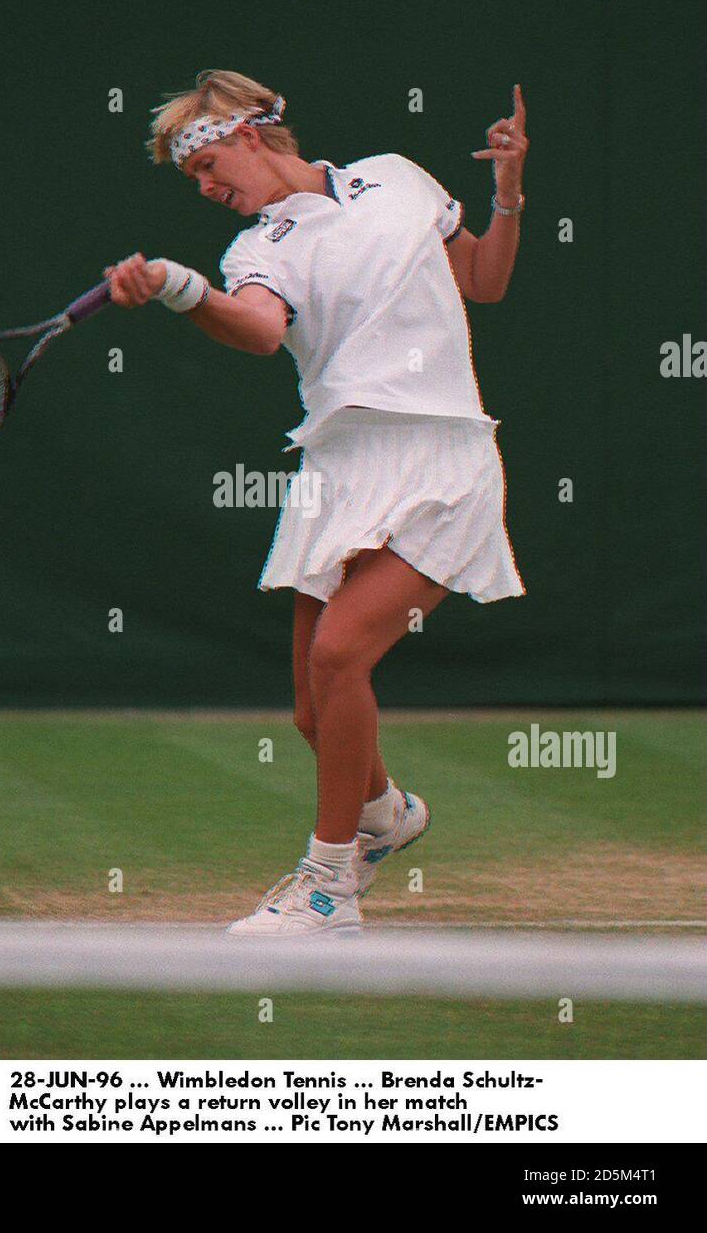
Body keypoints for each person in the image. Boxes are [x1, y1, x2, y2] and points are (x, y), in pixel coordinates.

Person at [104, 70, 528, 936]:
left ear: (254, 138)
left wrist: (509, 193)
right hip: (341, 468)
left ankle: (328, 888)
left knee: (339, 659)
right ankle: (385, 816)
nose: (208, 188)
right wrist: (184, 289)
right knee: (311, 708)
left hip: (443, 455)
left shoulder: (401, 178)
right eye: (196, 180)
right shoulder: (260, 250)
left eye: (211, 164)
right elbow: (260, 329)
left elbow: (482, 280)